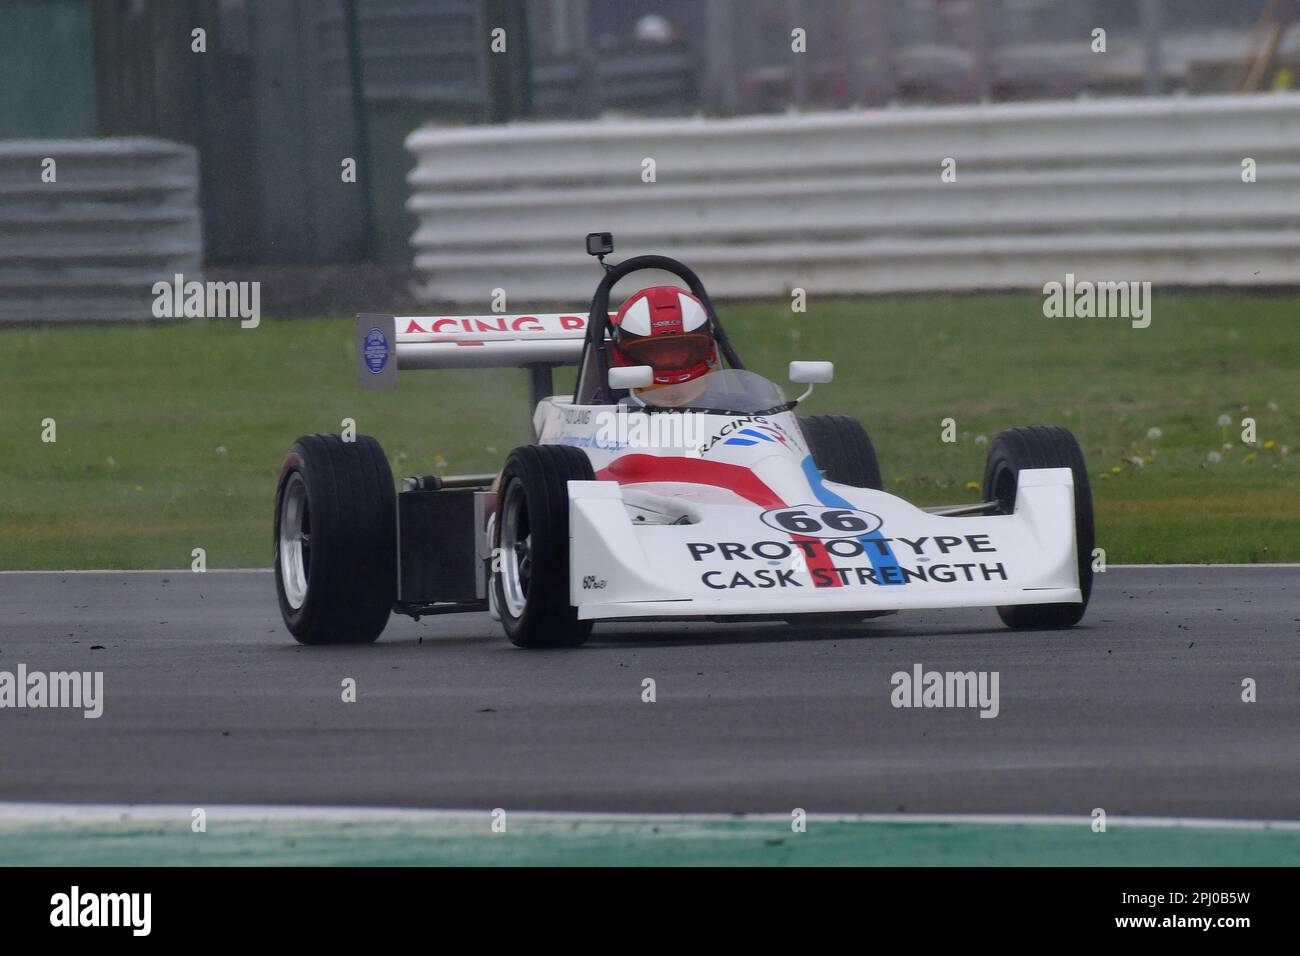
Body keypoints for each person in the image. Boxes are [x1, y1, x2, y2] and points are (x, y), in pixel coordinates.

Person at [609, 286, 719, 406]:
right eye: (655, 352)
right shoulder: (603, 408)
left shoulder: (731, 408)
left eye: (681, 350)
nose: (669, 360)